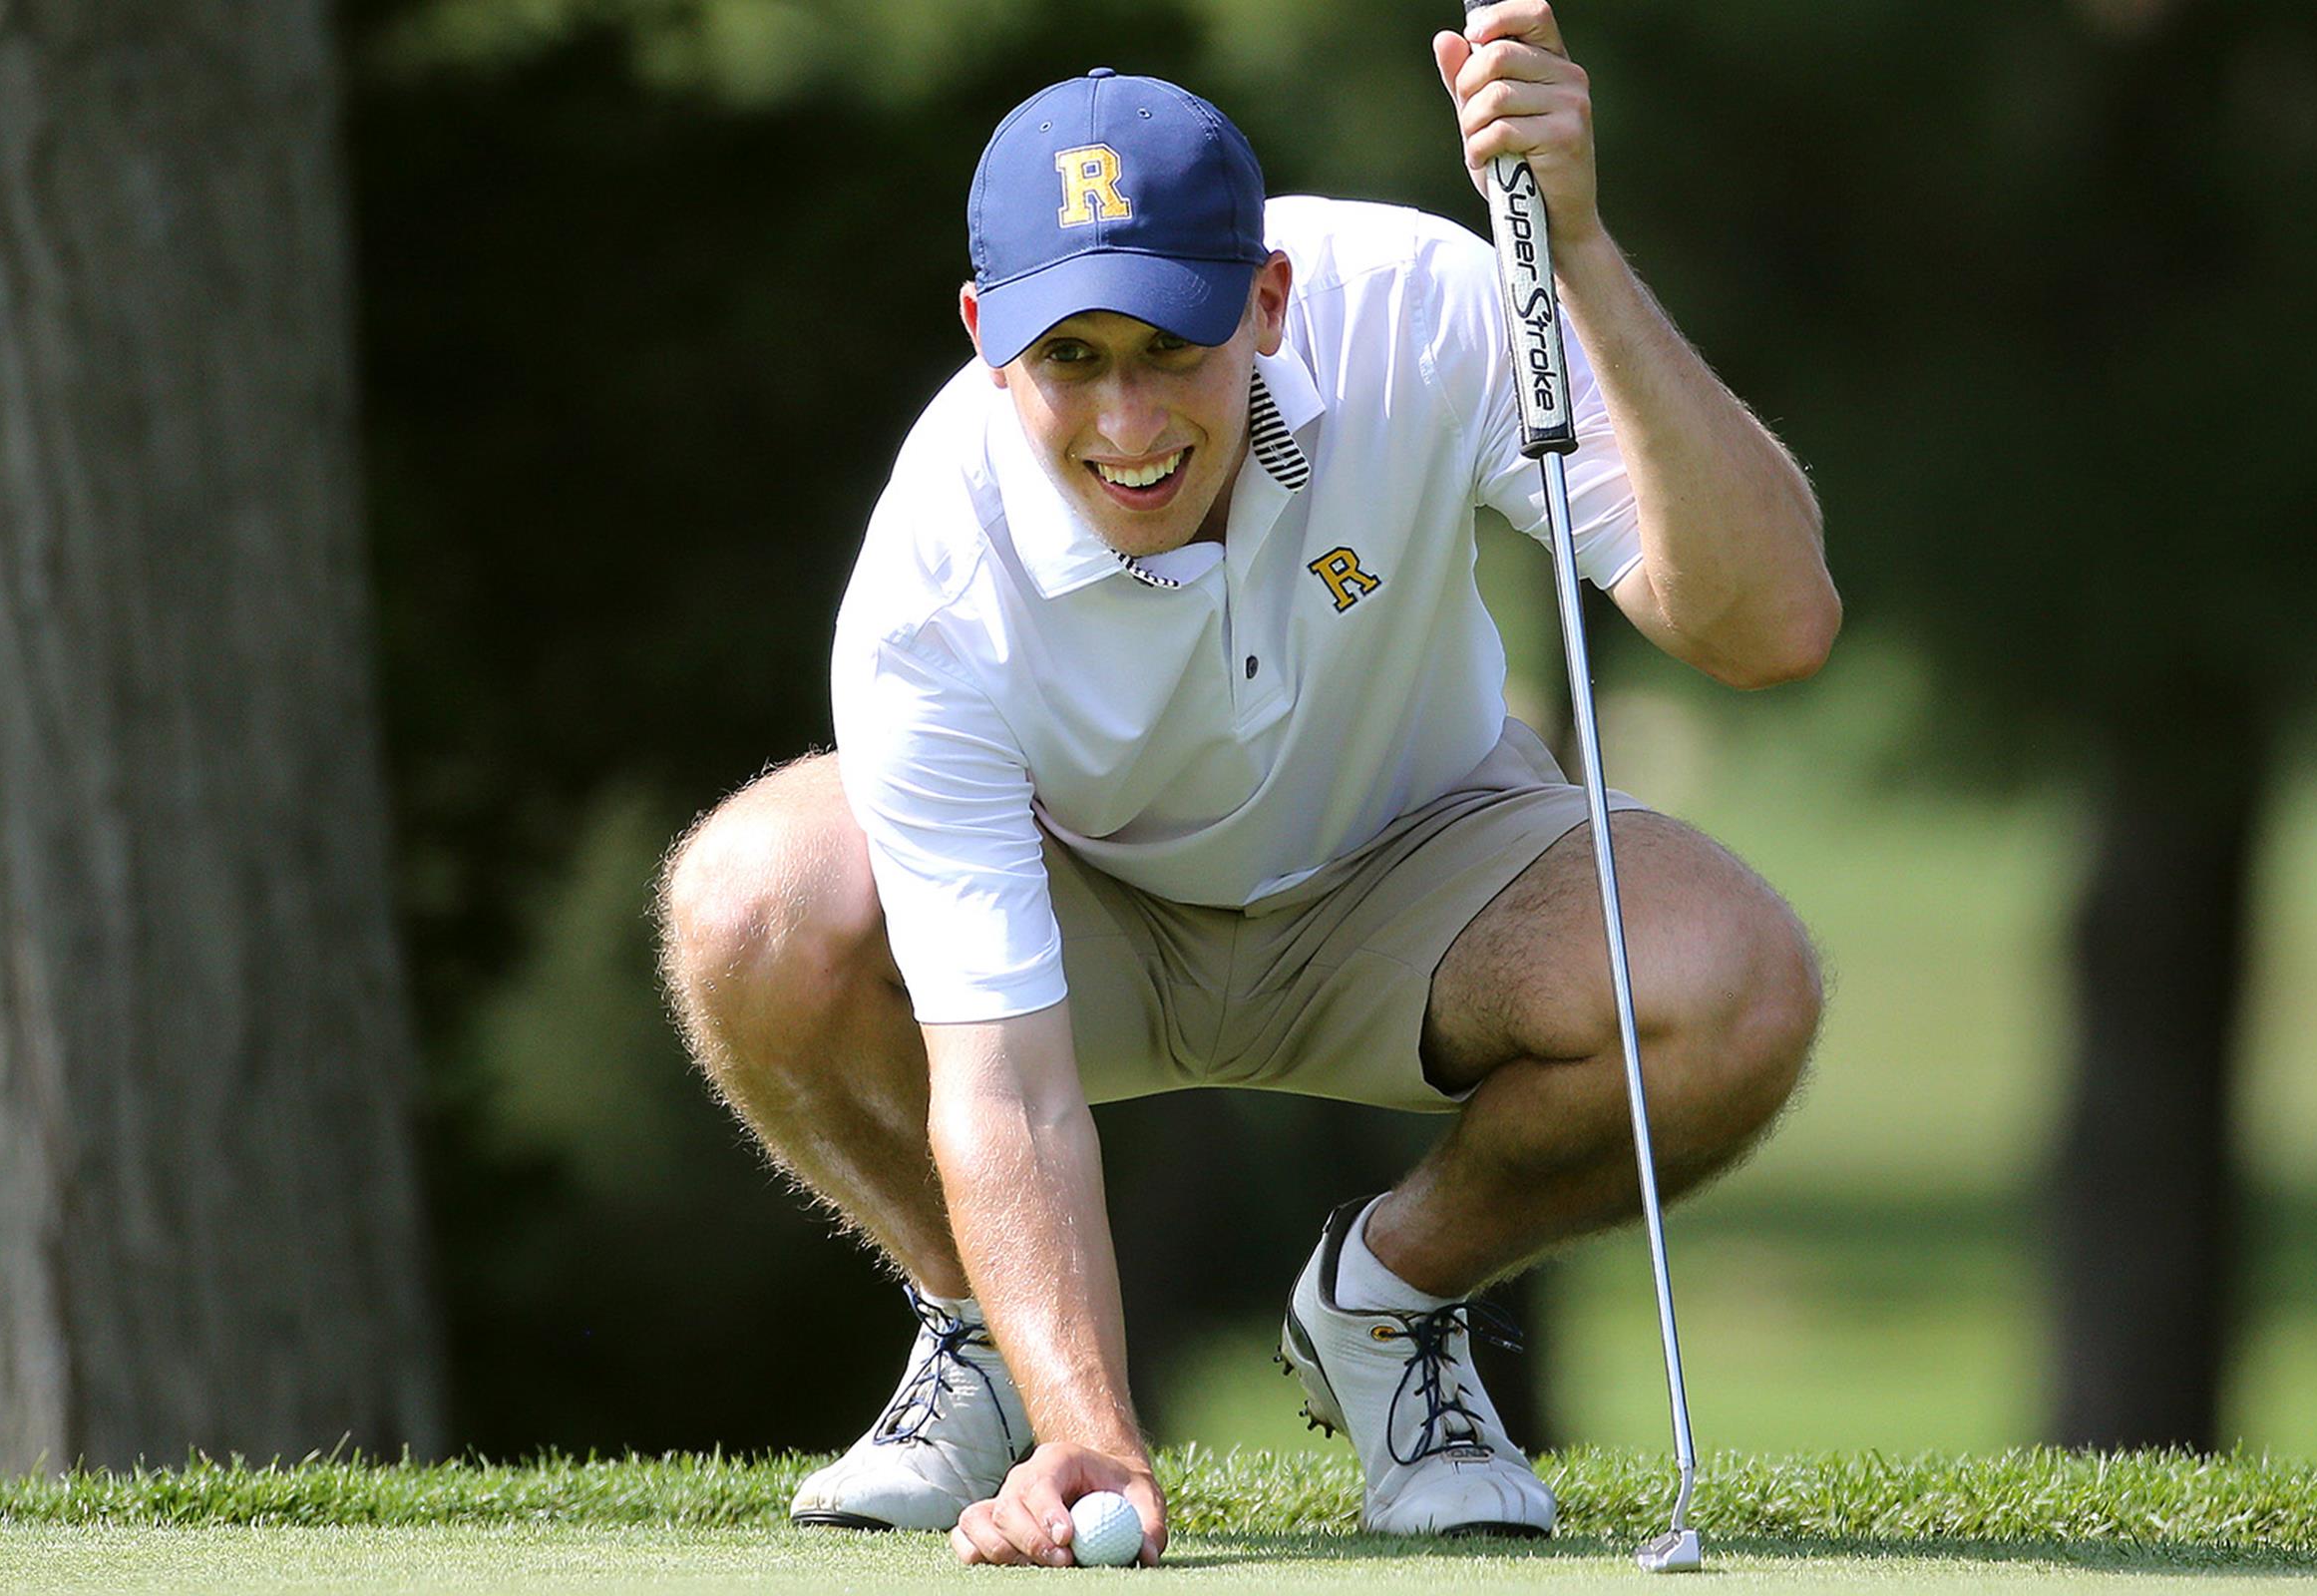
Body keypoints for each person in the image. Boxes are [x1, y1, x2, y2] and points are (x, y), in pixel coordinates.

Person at [655, 0, 1836, 1569]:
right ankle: (992, 1341)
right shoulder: (935, 576)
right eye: (1072, 361)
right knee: (752, 902)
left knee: (1734, 985)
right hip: (1090, 904)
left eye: (1173, 351)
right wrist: (1091, 1429)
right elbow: (1004, 1083)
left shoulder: (1418, 307)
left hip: (1425, 864)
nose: (1130, 424)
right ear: (986, 337)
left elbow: (1770, 625)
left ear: (1267, 300)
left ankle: (1389, 1305)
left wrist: (1582, 258)